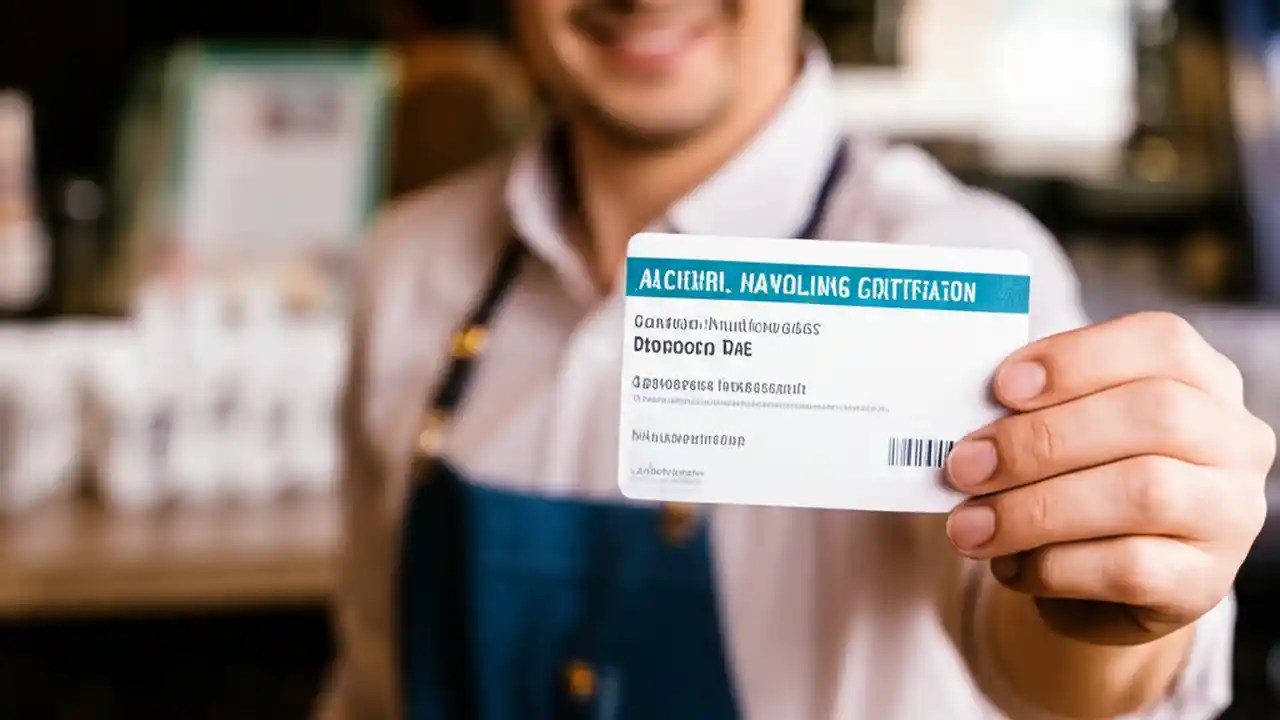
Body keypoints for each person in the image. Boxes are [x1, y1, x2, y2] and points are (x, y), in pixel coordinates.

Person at [318, 1, 1276, 718]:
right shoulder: (411, 265)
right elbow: (373, 674)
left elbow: (1035, 659)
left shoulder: (954, 256)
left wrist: (1117, 614)